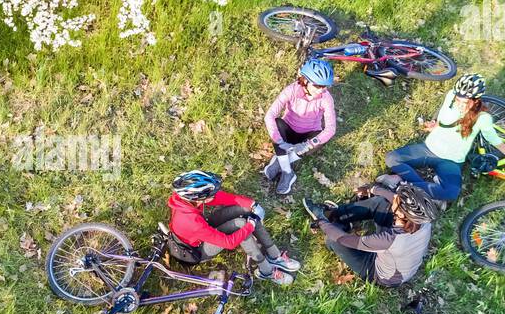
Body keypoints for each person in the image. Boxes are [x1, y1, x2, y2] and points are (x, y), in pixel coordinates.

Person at [383, 73, 505, 203]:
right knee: (392, 158)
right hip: (428, 149)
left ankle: (402, 183)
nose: (459, 104)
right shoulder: (450, 96)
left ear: (475, 101)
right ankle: (418, 187)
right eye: (458, 100)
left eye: (465, 102)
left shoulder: (483, 118)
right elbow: (443, 116)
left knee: (451, 193)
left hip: (451, 161)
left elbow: (493, 139)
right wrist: (435, 124)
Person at [168, 170, 300, 285]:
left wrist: (253, 204)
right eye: (211, 194)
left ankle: (275, 256)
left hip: (202, 228)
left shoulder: (184, 199)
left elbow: (223, 198)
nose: (214, 195)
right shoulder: (190, 221)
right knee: (242, 225)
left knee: (247, 211)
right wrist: (251, 225)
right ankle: (266, 271)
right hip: (197, 251)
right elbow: (229, 242)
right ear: (198, 198)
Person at [301, 182, 437, 287]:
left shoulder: (389, 239)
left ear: (401, 213)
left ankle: (326, 218)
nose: (394, 197)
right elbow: (393, 199)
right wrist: (372, 190)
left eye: (398, 200)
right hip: (398, 262)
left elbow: (344, 239)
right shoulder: (423, 221)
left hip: (382, 276)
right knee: (382, 203)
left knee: (333, 239)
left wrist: (321, 223)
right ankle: (336, 216)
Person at [262, 57, 337, 194]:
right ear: (305, 80)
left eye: (325, 86)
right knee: (277, 124)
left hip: (308, 135)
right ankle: (287, 171)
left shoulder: (326, 98)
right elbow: (270, 115)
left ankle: (281, 161)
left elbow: (331, 128)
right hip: (288, 129)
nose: (321, 90)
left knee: (322, 137)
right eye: (317, 86)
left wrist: (309, 144)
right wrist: (279, 140)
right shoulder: (291, 90)